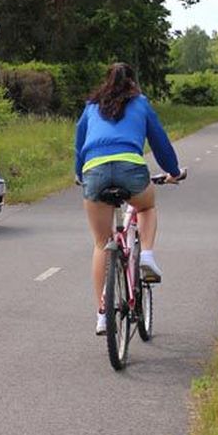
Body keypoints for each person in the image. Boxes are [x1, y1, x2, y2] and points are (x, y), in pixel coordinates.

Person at [74, 62, 182, 336]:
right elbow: (159, 142)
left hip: (94, 172)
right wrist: (173, 171)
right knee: (146, 206)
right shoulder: (141, 103)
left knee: (101, 244)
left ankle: (102, 314)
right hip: (131, 169)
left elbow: (80, 145)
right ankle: (145, 254)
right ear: (133, 83)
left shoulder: (91, 107)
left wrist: (80, 174)